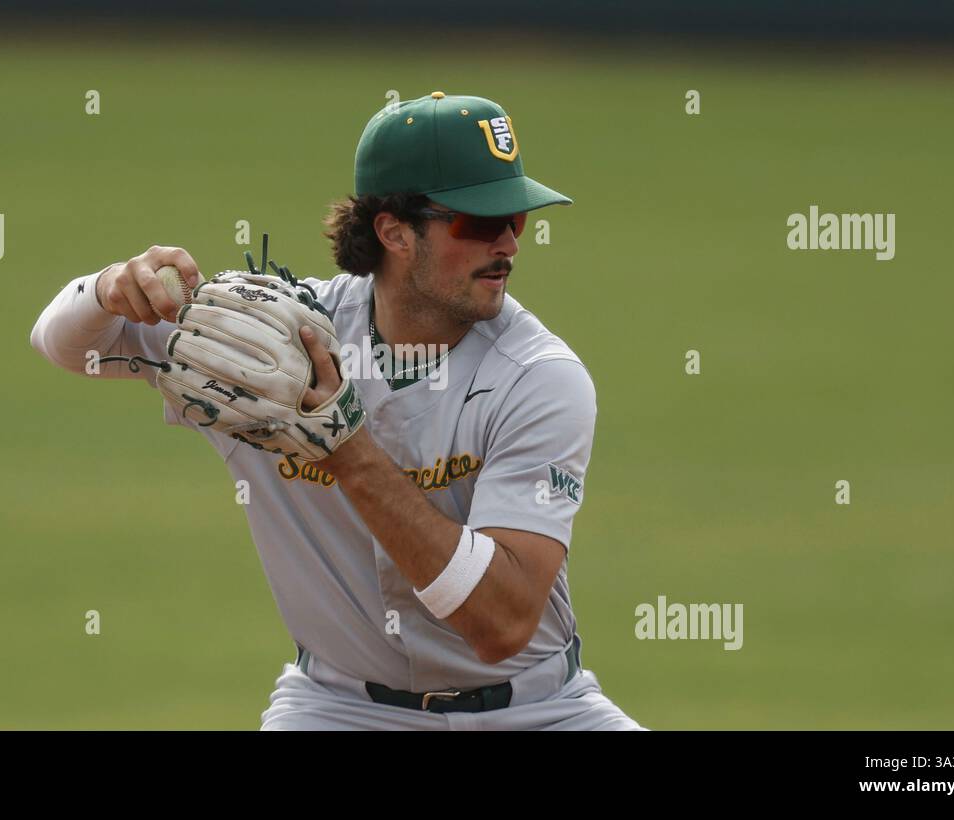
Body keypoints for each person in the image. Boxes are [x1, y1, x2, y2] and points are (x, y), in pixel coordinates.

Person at [31, 91, 643, 730]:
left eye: (516, 219)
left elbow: (501, 623)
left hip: (540, 712)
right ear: (394, 231)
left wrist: (348, 452)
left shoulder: (538, 380)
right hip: (338, 709)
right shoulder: (272, 346)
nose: (510, 244)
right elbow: (67, 344)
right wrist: (108, 289)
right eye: (479, 222)